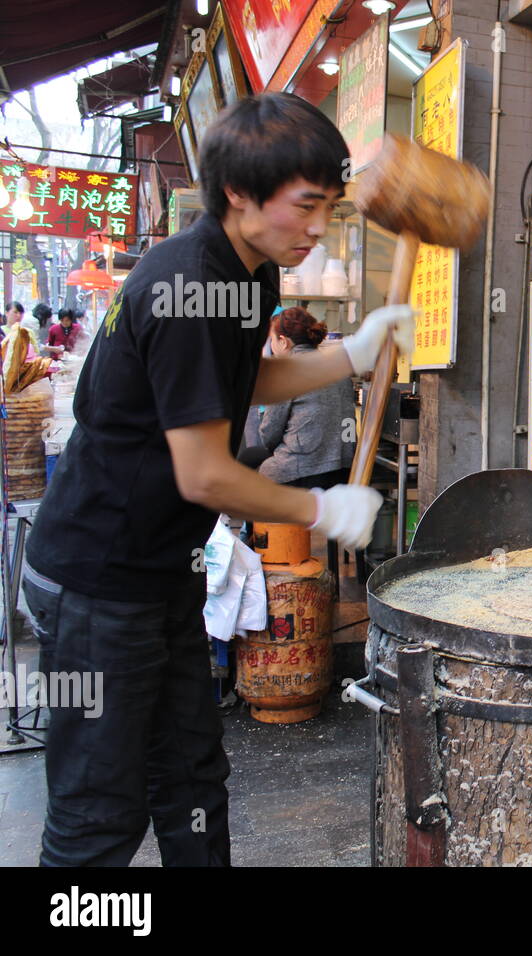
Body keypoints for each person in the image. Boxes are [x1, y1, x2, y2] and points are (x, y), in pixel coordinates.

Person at [22, 91, 415, 867]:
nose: (316, 228)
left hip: (159, 573)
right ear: (238, 193)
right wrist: (318, 504)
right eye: (305, 206)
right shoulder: (183, 286)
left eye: (329, 208)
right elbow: (203, 473)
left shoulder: (250, 274)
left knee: (193, 780)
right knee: (99, 812)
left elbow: (239, 382)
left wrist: (347, 353)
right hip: (97, 581)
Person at [239, 307, 354, 488]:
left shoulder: (286, 371)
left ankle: (248, 512)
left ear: (283, 341)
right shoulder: (339, 368)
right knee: (253, 457)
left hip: (303, 470)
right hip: (343, 469)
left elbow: (269, 434)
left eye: (272, 340)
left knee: (246, 464)